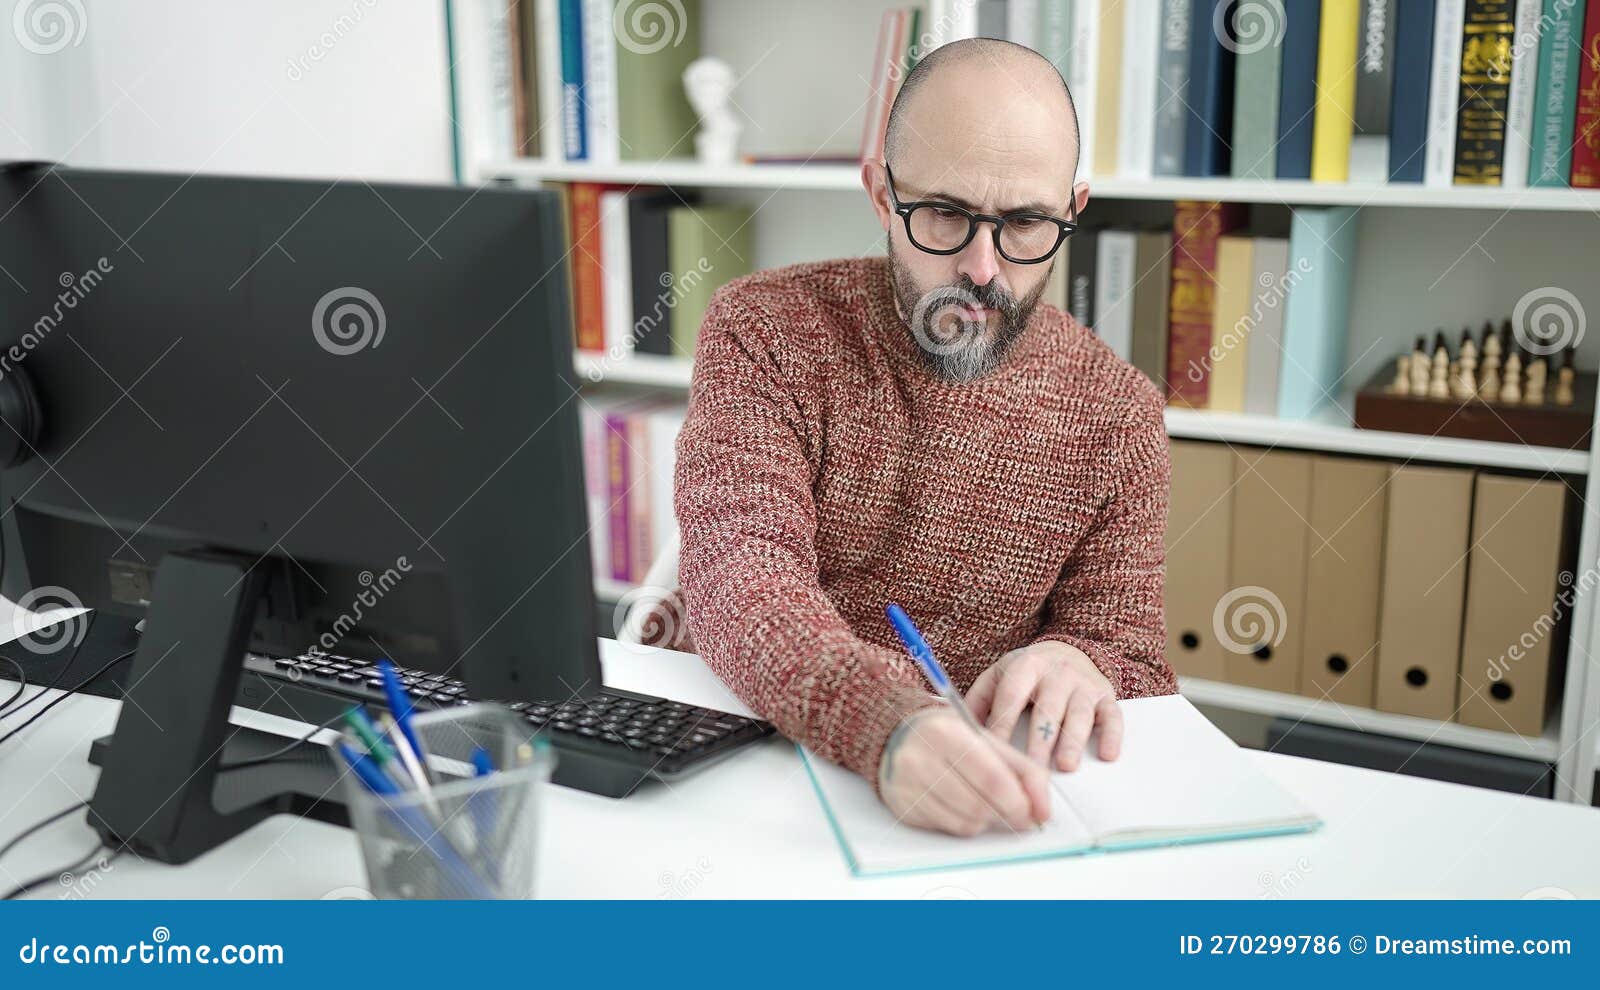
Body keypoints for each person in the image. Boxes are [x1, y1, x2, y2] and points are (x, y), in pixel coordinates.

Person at [663, 37, 1178, 837]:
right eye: (944, 213)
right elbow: (741, 575)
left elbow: (1131, 653)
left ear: (1073, 210)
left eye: (1027, 222)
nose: (982, 266)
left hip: (988, 801)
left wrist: (1086, 660)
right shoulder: (763, 331)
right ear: (880, 194)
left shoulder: (1122, 415)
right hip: (754, 770)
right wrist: (889, 723)